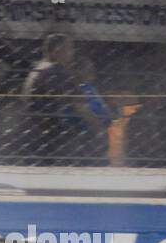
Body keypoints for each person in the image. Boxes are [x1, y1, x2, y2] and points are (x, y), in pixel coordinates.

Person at [20, 34, 104, 165]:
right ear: (58, 50)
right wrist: (98, 127)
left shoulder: (37, 67)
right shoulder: (57, 71)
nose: (72, 53)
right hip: (49, 132)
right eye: (69, 48)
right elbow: (81, 107)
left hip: (31, 129)